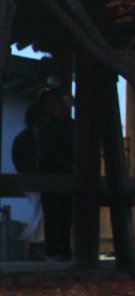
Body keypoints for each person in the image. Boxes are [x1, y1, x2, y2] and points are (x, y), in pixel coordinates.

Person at [35, 91, 74, 260]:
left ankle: (62, 248)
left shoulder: (71, 127)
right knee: (51, 213)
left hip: (65, 174)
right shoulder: (44, 127)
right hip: (50, 174)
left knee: (65, 215)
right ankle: (52, 248)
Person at [12, 96, 48, 260]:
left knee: (42, 209)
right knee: (42, 207)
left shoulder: (25, 137)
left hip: (32, 178)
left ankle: (34, 244)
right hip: (32, 179)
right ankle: (33, 243)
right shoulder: (30, 137)